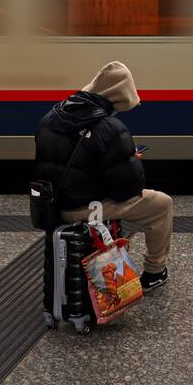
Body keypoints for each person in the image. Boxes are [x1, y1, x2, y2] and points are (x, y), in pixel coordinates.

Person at [34, 61, 172, 291]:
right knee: (161, 205)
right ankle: (155, 272)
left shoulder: (51, 115)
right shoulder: (110, 127)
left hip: (52, 205)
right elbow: (128, 190)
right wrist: (129, 159)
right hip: (85, 208)